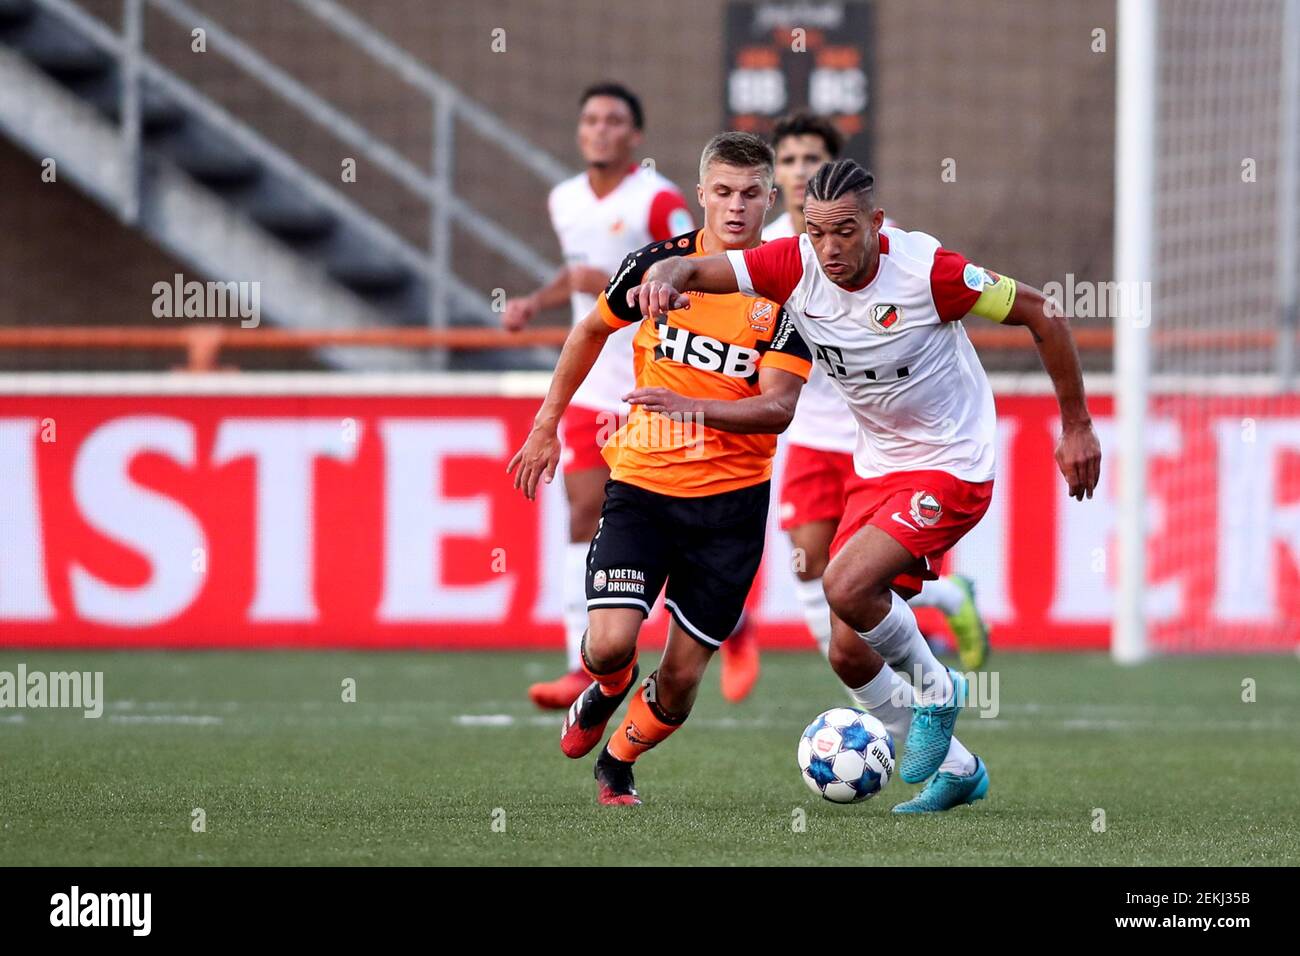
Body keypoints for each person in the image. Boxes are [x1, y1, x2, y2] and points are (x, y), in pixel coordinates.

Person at [624, 158, 1102, 813]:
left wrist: (1075, 426)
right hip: (878, 468)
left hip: (952, 462)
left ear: (876, 225)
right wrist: (665, 274)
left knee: (844, 584)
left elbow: (1044, 314)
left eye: (845, 232)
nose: (830, 249)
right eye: (817, 232)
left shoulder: (930, 274)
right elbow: (701, 268)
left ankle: (939, 692)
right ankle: (959, 772)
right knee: (848, 653)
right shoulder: (792, 263)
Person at [507, 133, 810, 805]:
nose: (736, 207)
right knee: (611, 645)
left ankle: (617, 763)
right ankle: (607, 686)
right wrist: (544, 426)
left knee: (677, 680)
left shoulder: (789, 293)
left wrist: (689, 406)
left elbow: (778, 409)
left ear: (770, 199)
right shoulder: (654, 265)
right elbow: (588, 331)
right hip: (643, 486)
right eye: (723, 192)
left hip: (731, 509)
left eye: (751, 194)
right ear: (701, 194)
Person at [766, 112, 989, 671]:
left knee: (856, 581)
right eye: (787, 160)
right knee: (810, 567)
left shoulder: (884, 254)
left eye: (811, 160)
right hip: (812, 430)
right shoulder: (767, 253)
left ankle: (915, 683)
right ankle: (927, 624)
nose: (799, 171)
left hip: (887, 442)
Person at [503, 82, 694, 710]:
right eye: (591, 119)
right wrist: (539, 300)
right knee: (583, 512)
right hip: (593, 387)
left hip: (656, 386)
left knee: (674, 521)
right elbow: (579, 270)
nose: (601, 129)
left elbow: (697, 266)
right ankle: (578, 661)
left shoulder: (658, 199)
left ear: (634, 136)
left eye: (614, 120)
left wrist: (622, 285)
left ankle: (729, 626)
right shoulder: (564, 200)